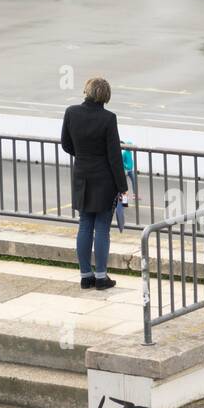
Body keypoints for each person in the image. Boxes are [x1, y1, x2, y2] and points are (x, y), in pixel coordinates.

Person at [61, 77, 129, 290]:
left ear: (86, 92)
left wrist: (82, 155)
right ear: (106, 96)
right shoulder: (108, 118)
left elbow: (66, 144)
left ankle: (85, 275)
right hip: (104, 179)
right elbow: (114, 156)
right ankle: (101, 277)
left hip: (82, 174)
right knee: (101, 228)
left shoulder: (71, 112)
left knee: (84, 225)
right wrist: (122, 186)